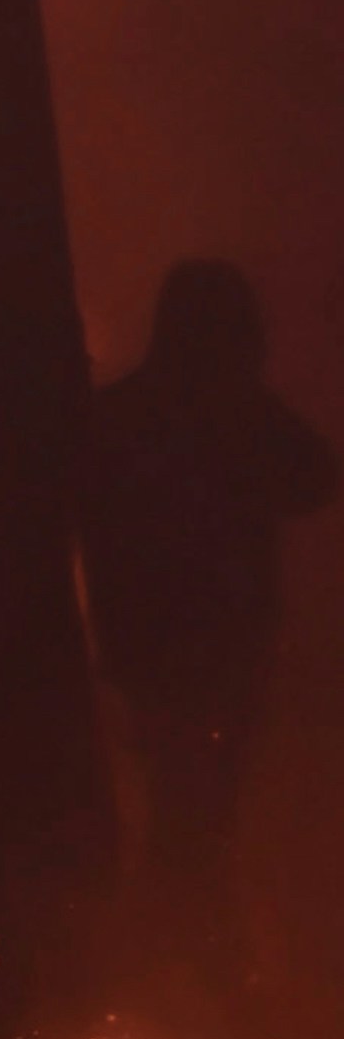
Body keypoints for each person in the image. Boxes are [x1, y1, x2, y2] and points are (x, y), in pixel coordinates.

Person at [82, 259, 337, 946]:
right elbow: (316, 476)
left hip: (156, 650)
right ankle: (185, 960)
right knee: (198, 811)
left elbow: (316, 479)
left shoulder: (121, 413)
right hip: (215, 648)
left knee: (184, 805)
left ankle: (178, 959)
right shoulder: (236, 417)